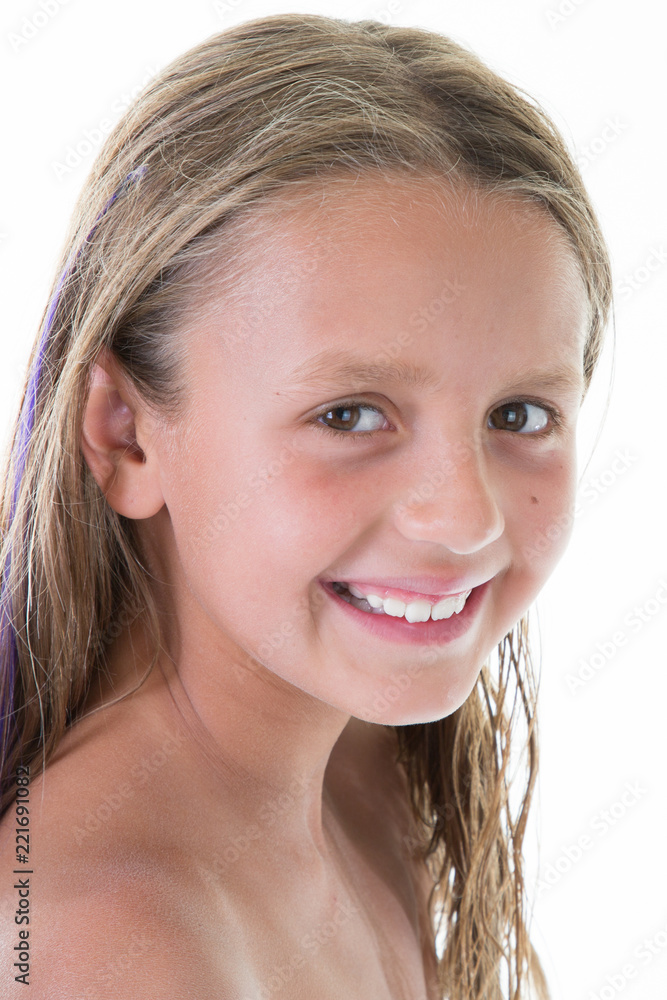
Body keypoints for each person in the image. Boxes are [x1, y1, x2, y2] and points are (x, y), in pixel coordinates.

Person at [0, 12, 612, 999]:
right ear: (123, 432)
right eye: (349, 413)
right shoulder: (109, 947)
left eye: (518, 411)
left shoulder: (363, 777)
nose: (463, 518)